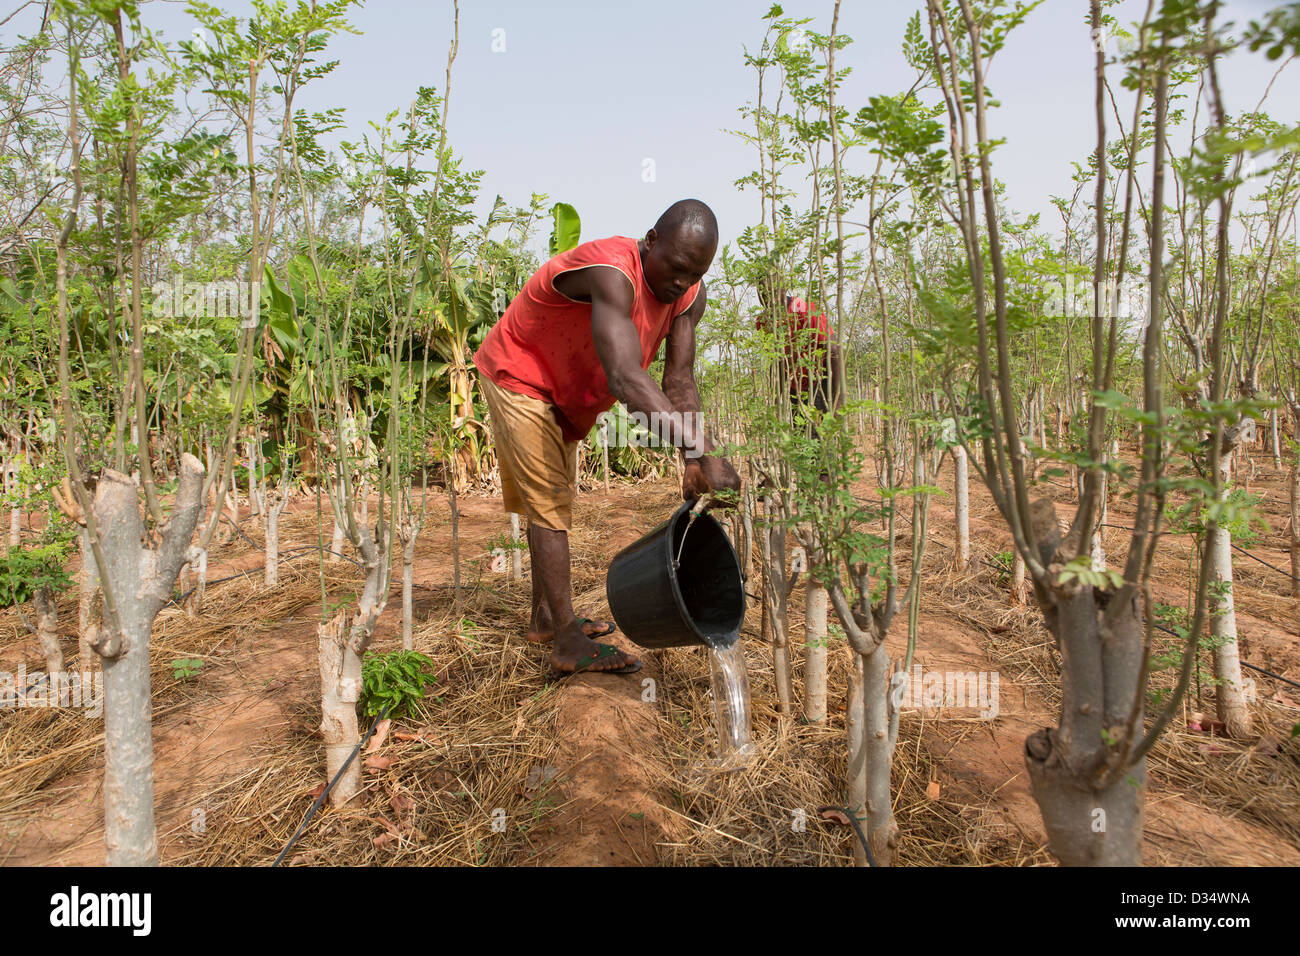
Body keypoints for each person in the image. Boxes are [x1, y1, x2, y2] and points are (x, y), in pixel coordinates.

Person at [473, 199, 742, 676]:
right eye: (677, 267)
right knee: (550, 504)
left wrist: (695, 459)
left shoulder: (688, 295)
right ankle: (568, 643)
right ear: (651, 240)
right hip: (520, 370)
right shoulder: (613, 272)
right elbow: (624, 376)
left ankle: (544, 618)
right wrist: (700, 448)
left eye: (695, 273)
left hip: (565, 391)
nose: (682, 282)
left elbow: (678, 380)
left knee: (553, 500)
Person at [755, 275, 842, 423]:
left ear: (783, 289)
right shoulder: (763, 322)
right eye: (763, 293)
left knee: (818, 438)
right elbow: (778, 361)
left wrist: (838, 400)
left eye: (772, 292)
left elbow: (833, 351)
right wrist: (778, 398)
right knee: (800, 437)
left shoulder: (802, 308)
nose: (768, 299)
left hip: (819, 384)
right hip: (794, 389)